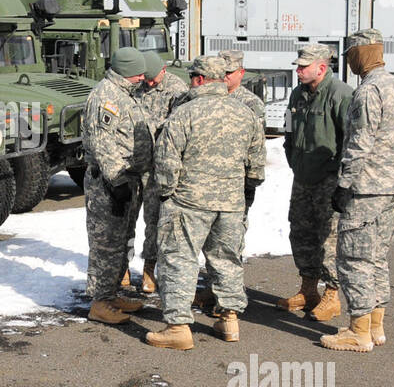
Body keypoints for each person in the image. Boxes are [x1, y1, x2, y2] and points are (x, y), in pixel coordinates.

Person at [146, 56, 265, 350]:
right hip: (231, 203)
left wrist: (166, 193)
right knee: (227, 260)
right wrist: (243, 192)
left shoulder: (184, 114)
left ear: (199, 79)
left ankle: (178, 327)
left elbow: (166, 163)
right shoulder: (245, 113)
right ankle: (229, 320)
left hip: (188, 202)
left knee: (179, 260)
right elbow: (257, 165)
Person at [322, 30, 394, 353]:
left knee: (354, 257)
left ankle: (358, 331)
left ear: (362, 54)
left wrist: (344, 184)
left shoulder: (368, 91)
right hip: (391, 187)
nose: (348, 60)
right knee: (377, 256)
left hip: (366, 188)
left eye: (350, 53)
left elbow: (360, 143)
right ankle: (376, 325)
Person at [278, 43, 354, 322]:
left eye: (303, 66)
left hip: (328, 180)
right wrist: (292, 158)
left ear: (321, 68)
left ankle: (331, 295)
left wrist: (343, 182)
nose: (297, 71)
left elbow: (351, 141)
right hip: (302, 177)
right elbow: (287, 128)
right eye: (297, 66)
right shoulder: (297, 94)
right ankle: (308, 289)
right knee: (300, 231)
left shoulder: (341, 95)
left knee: (328, 238)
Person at [83, 46, 151, 325]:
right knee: (106, 243)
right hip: (109, 183)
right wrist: (118, 180)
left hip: (127, 178)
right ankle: (100, 302)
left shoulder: (123, 93)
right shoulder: (106, 97)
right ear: (125, 71)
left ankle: (110, 294)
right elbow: (104, 144)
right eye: (137, 74)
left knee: (121, 239)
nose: (141, 79)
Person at [193, 48, 265, 311]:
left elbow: (255, 150)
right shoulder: (201, 100)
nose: (224, 77)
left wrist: (250, 185)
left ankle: (226, 300)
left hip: (235, 187)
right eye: (220, 73)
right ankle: (212, 291)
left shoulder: (250, 104)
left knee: (230, 245)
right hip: (205, 185)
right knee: (210, 244)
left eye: (229, 73)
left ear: (241, 74)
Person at [124, 50, 188, 295]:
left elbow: (178, 130)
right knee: (126, 221)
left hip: (156, 170)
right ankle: (123, 268)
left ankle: (149, 270)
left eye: (153, 79)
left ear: (163, 70)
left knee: (153, 222)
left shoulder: (177, 90)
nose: (149, 84)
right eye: (145, 79)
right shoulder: (136, 86)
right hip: (132, 167)